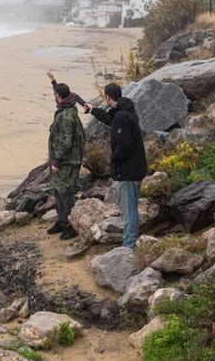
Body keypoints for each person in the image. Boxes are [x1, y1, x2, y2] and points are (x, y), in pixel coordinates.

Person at [83, 83, 146, 248]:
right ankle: (130, 241)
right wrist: (93, 110)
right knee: (130, 207)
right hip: (136, 167)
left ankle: (128, 245)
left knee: (128, 209)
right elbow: (109, 119)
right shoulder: (126, 110)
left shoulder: (121, 116)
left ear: (107, 97)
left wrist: (113, 159)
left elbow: (125, 145)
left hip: (129, 170)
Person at [44, 71, 87, 240]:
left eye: (55, 94)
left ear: (58, 97)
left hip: (67, 161)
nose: (55, 96)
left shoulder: (68, 116)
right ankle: (62, 221)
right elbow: (65, 93)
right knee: (57, 190)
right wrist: (54, 82)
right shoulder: (68, 100)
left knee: (66, 193)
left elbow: (66, 142)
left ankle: (72, 226)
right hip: (62, 160)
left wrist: (56, 161)